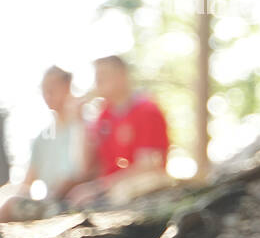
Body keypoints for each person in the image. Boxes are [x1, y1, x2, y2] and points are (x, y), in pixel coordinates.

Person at [64, 55, 171, 208]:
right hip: (111, 189)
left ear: (122, 76)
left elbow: (148, 166)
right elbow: (85, 168)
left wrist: (99, 187)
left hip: (140, 189)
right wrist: (79, 123)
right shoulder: (103, 116)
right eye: (97, 76)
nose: (98, 81)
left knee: (118, 194)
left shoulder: (147, 110)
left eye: (104, 75)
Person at [0, 66, 89, 222]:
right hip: (48, 203)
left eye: (52, 87)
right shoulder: (42, 138)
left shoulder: (85, 126)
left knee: (9, 205)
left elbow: (81, 171)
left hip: (72, 205)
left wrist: (78, 122)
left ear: (67, 87)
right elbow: (27, 183)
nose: (47, 94)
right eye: (44, 89)